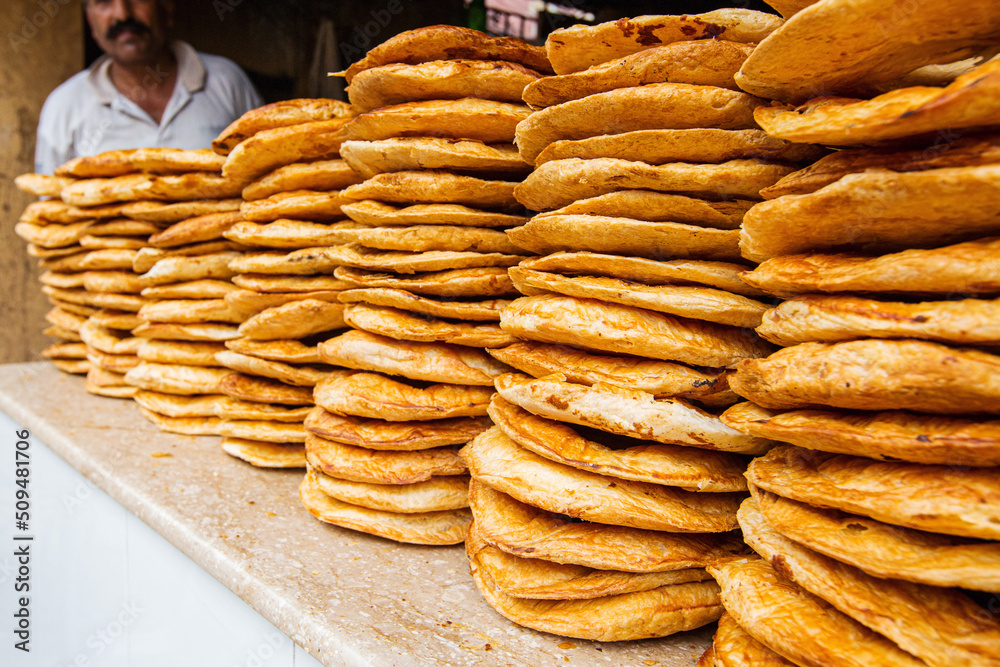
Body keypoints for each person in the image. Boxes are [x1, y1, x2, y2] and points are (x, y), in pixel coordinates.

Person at [35, 0, 263, 174]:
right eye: (104, 1)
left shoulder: (227, 82)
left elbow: (266, 174)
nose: (123, 14)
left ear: (167, 7)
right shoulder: (64, 106)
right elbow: (53, 217)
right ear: (90, 21)